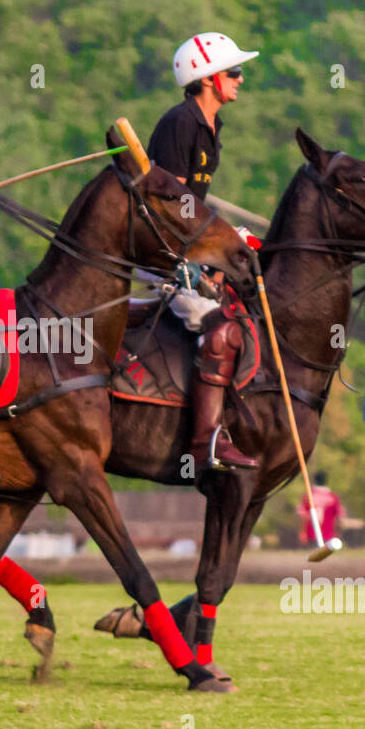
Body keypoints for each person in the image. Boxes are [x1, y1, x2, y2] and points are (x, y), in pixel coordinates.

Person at [145, 32, 262, 470]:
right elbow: (170, 204)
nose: (241, 79)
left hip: (190, 250)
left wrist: (227, 238)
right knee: (218, 329)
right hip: (163, 256)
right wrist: (214, 242)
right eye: (234, 72)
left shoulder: (211, 127)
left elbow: (193, 206)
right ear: (209, 78)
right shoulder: (180, 123)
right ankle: (206, 442)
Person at [298, 471, 343, 547]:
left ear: (315, 480)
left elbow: (303, 517)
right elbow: (338, 517)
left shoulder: (308, 496)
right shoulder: (333, 497)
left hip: (311, 534)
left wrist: (302, 532)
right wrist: (338, 533)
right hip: (328, 535)